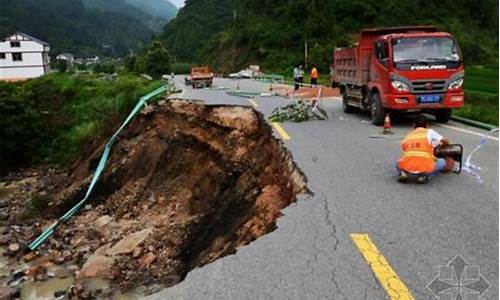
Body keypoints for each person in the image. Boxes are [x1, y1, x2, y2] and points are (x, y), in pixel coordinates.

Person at [396, 115, 452, 183]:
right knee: (442, 162)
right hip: (425, 166)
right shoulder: (429, 132)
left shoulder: (408, 136)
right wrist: (444, 145)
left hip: (408, 167)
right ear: (427, 125)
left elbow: (405, 151)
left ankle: (403, 173)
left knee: (398, 163)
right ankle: (424, 176)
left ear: (414, 126)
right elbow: (446, 141)